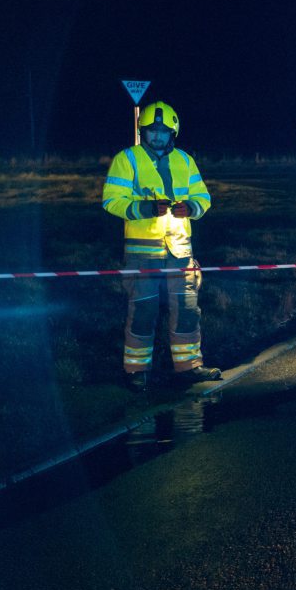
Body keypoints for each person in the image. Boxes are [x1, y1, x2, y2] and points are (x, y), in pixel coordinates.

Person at [101, 101, 222, 390]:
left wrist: (191, 207)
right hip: (143, 256)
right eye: (151, 130)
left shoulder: (185, 160)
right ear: (142, 131)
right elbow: (111, 200)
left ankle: (189, 367)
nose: (157, 135)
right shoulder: (126, 159)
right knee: (143, 311)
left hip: (180, 253)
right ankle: (136, 372)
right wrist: (144, 208)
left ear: (173, 132)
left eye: (163, 131)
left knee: (188, 310)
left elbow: (203, 198)